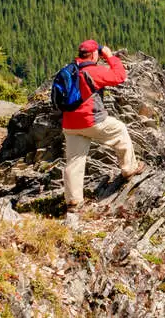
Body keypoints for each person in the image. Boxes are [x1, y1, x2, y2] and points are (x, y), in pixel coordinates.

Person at [61, 39, 143, 212]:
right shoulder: (93, 71)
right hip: (90, 120)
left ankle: (73, 203)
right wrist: (111, 56)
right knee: (119, 130)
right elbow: (119, 76)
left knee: (74, 161)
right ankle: (129, 168)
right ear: (93, 54)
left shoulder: (69, 70)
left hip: (69, 123)